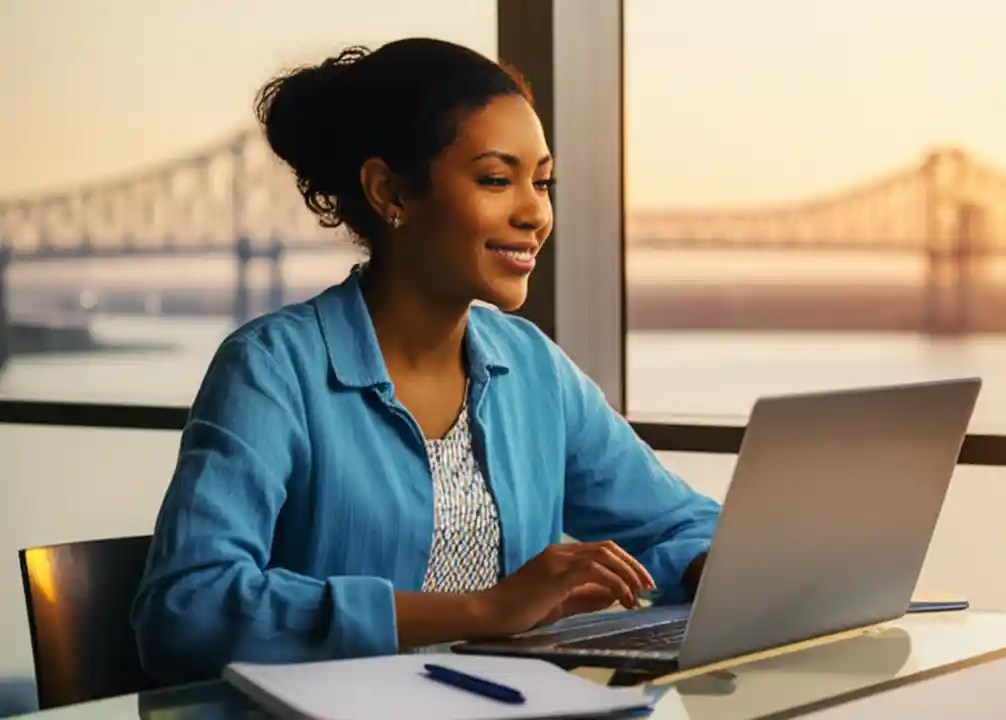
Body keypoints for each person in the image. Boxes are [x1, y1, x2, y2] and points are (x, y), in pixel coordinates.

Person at [130, 37, 722, 684]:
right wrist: (485, 609)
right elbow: (186, 610)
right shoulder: (272, 369)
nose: (535, 213)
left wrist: (685, 571)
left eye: (542, 182)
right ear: (390, 192)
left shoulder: (531, 369)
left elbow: (683, 522)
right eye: (497, 180)